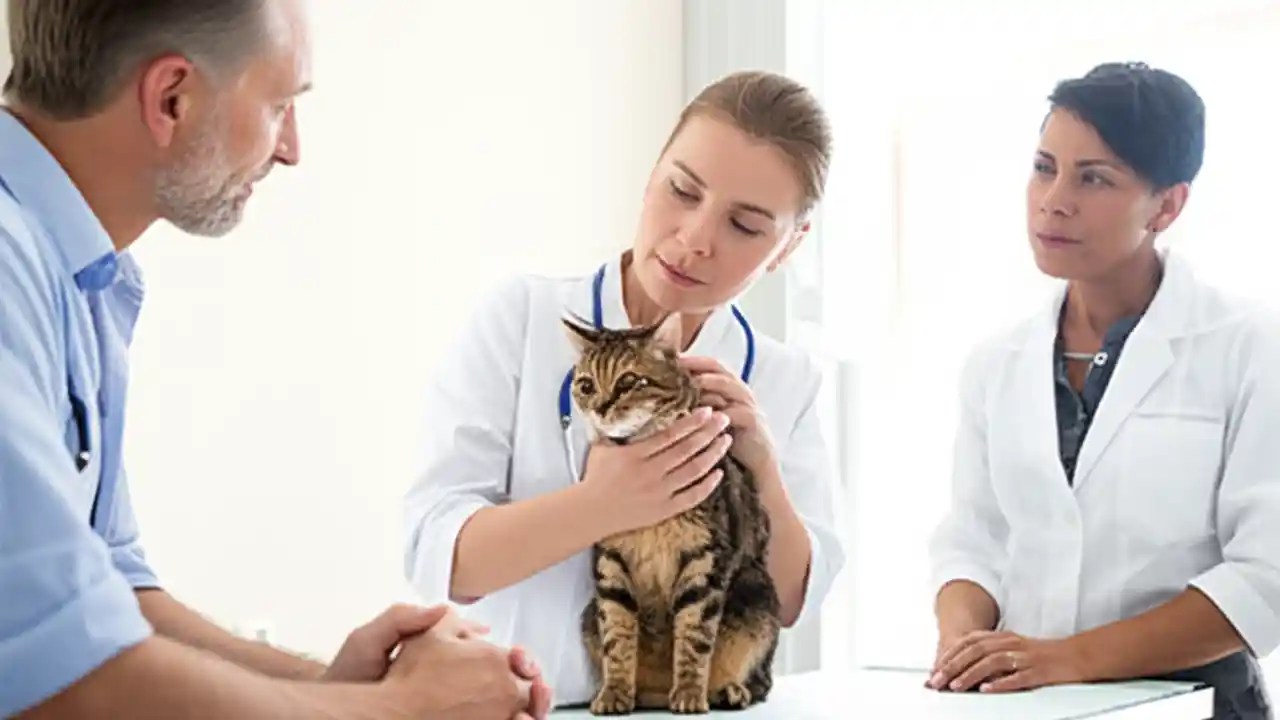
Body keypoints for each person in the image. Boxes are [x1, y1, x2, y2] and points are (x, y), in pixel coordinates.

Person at [0, 1, 549, 718]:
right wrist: (407, 710)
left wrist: (340, 688)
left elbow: (112, 596)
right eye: (279, 105)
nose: (291, 148)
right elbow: (72, 676)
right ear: (171, 97)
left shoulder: (82, 277)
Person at [403, 69, 846, 708]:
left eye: (745, 226)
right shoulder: (522, 319)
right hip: (515, 706)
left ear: (788, 246)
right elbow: (441, 556)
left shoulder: (782, 380)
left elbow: (792, 601)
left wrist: (763, 470)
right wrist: (606, 502)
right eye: (682, 190)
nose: (695, 239)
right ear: (651, 174)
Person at [927, 62, 1280, 719]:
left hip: (1192, 702)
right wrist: (963, 641)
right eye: (1044, 166)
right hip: (1030, 703)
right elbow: (972, 541)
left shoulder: (1250, 345)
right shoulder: (995, 362)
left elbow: (1266, 576)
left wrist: (1068, 658)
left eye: (1094, 178)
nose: (1053, 199)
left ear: (1167, 205)